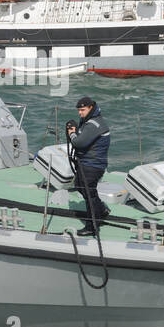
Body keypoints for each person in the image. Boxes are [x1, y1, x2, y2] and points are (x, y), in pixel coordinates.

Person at [67, 96, 111, 237]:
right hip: (88, 163)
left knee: (88, 193)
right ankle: (101, 210)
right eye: (79, 110)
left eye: (82, 110)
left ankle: (92, 226)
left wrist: (72, 133)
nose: (80, 113)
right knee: (81, 187)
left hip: (93, 164)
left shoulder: (93, 124)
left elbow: (79, 143)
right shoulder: (91, 121)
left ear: (91, 108)